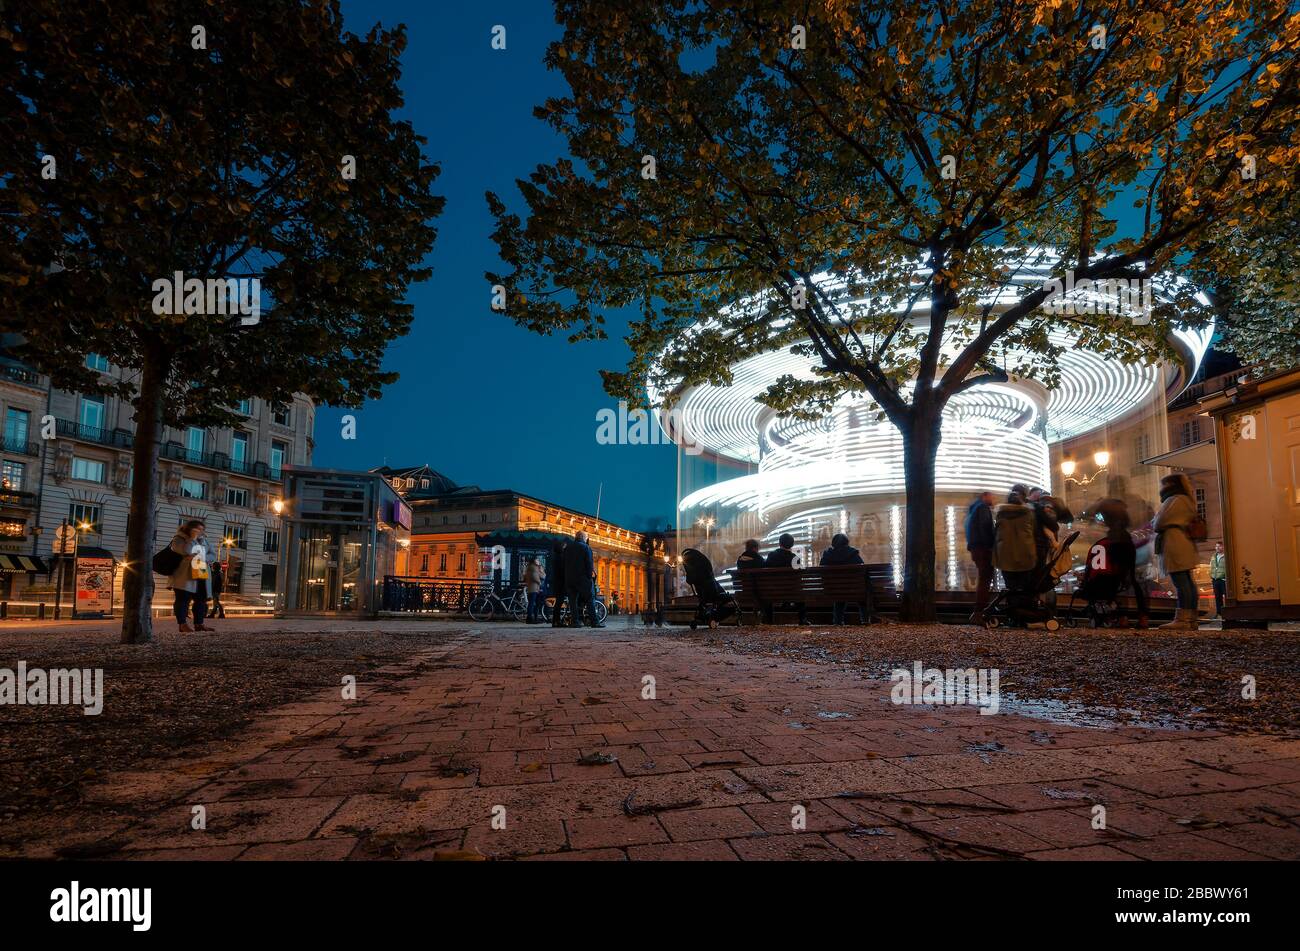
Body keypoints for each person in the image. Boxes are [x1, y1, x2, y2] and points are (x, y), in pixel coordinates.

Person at [1153, 472, 1200, 629]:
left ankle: (1182, 620)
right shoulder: (1187, 500)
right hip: (1184, 542)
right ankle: (1191, 619)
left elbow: (1158, 522)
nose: (1162, 488)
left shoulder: (1174, 500)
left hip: (1174, 542)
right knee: (1188, 583)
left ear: (1170, 485)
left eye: (1163, 484)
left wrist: (1156, 520)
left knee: (1181, 583)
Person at [168, 519, 215, 633]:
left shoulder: (204, 541)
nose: (200, 532)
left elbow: (212, 555)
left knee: (201, 599)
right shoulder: (179, 539)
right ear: (189, 529)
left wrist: (200, 557)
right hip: (183, 574)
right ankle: (182, 624)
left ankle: (199, 623)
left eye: (202, 530)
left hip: (201, 571)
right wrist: (192, 539)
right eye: (197, 529)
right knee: (183, 599)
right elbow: (186, 550)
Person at [994, 490, 1038, 591]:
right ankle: (1021, 605)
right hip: (1025, 555)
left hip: (1005, 555)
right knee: (1024, 586)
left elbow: (995, 532)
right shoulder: (1028, 513)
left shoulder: (1000, 514)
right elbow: (1034, 530)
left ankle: (1011, 604)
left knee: (1010, 586)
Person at [964, 490, 996, 624]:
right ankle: (980, 611)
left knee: (984, 578)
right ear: (985, 496)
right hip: (983, 548)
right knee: (985, 578)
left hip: (975, 547)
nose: (993, 499)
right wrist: (990, 545)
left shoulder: (972, 510)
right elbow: (986, 527)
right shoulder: (982, 507)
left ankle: (979, 610)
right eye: (991, 496)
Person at [819, 532, 864, 625]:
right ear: (847, 543)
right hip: (852, 589)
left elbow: (821, 571)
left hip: (832, 589)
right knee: (863, 592)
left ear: (833, 544)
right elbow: (862, 571)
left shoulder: (827, 556)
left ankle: (838, 621)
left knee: (840, 593)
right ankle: (865, 619)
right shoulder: (853, 554)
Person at [763, 533, 808, 625]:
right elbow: (798, 578)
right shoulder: (795, 559)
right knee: (799, 591)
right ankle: (802, 619)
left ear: (780, 544)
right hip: (791, 591)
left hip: (773, 591)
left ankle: (769, 620)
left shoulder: (772, 556)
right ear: (792, 545)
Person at [563, 530, 603, 628]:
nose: (586, 539)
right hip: (583, 578)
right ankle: (594, 622)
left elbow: (564, 563)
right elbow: (589, 563)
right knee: (590, 599)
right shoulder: (586, 547)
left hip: (570, 578)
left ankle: (575, 622)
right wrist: (590, 576)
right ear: (583, 538)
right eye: (586, 538)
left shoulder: (568, 548)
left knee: (572, 601)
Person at [546, 540, 567, 628]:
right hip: (560, 583)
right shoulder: (560, 557)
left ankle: (556, 621)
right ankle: (556, 621)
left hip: (556, 582)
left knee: (558, 602)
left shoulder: (555, 556)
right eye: (564, 547)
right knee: (559, 603)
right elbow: (563, 570)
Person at [523, 556, 545, 624]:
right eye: (537, 560)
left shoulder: (529, 567)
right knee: (533, 604)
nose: (538, 561)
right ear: (534, 561)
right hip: (534, 588)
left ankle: (532, 618)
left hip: (531, 588)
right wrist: (539, 582)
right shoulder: (534, 568)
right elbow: (541, 576)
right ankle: (530, 618)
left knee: (532, 603)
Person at [1210, 542, 1227, 619]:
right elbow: (1211, 566)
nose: (1217, 548)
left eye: (1219, 546)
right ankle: (1219, 613)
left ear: (1223, 547)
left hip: (1223, 579)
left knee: (1226, 596)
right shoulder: (1213, 556)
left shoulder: (1226, 556)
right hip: (1215, 579)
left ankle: (1227, 612)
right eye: (1216, 546)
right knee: (1217, 597)